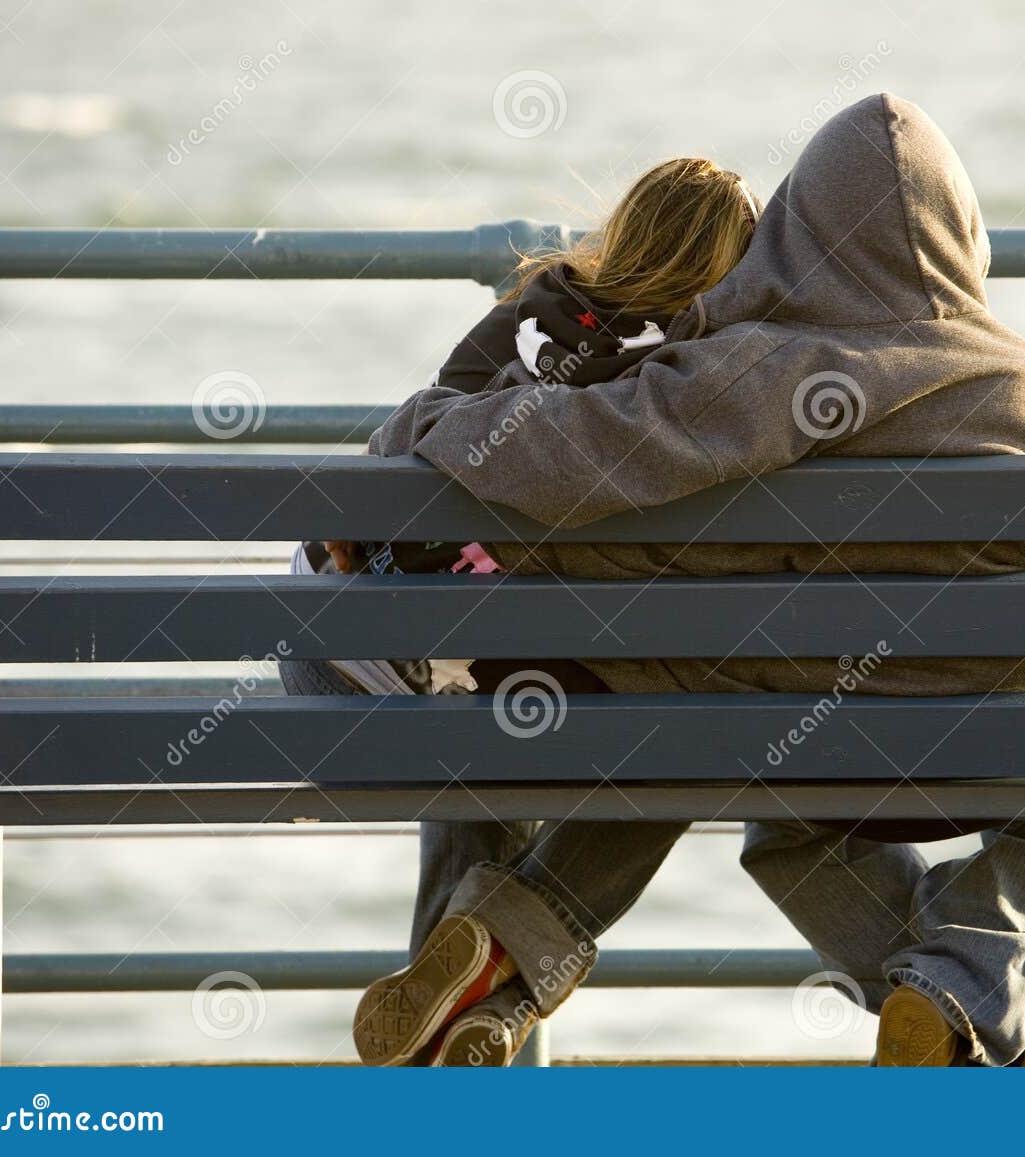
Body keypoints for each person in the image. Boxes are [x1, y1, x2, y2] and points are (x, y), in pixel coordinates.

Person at [357, 92, 1025, 1069]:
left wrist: (431, 422)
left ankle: (517, 937)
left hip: (804, 747)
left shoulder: (758, 370)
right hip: (992, 744)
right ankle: (971, 978)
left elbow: (574, 454)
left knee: (764, 801)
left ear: (796, 238)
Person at [279, 156, 763, 1066]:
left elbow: (415, 438)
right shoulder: (690, 375)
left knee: (479, 668)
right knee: (671, 734)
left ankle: (448, 1012)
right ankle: (488, 986)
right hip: (476, 685)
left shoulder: (535, 302)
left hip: (325, 647)